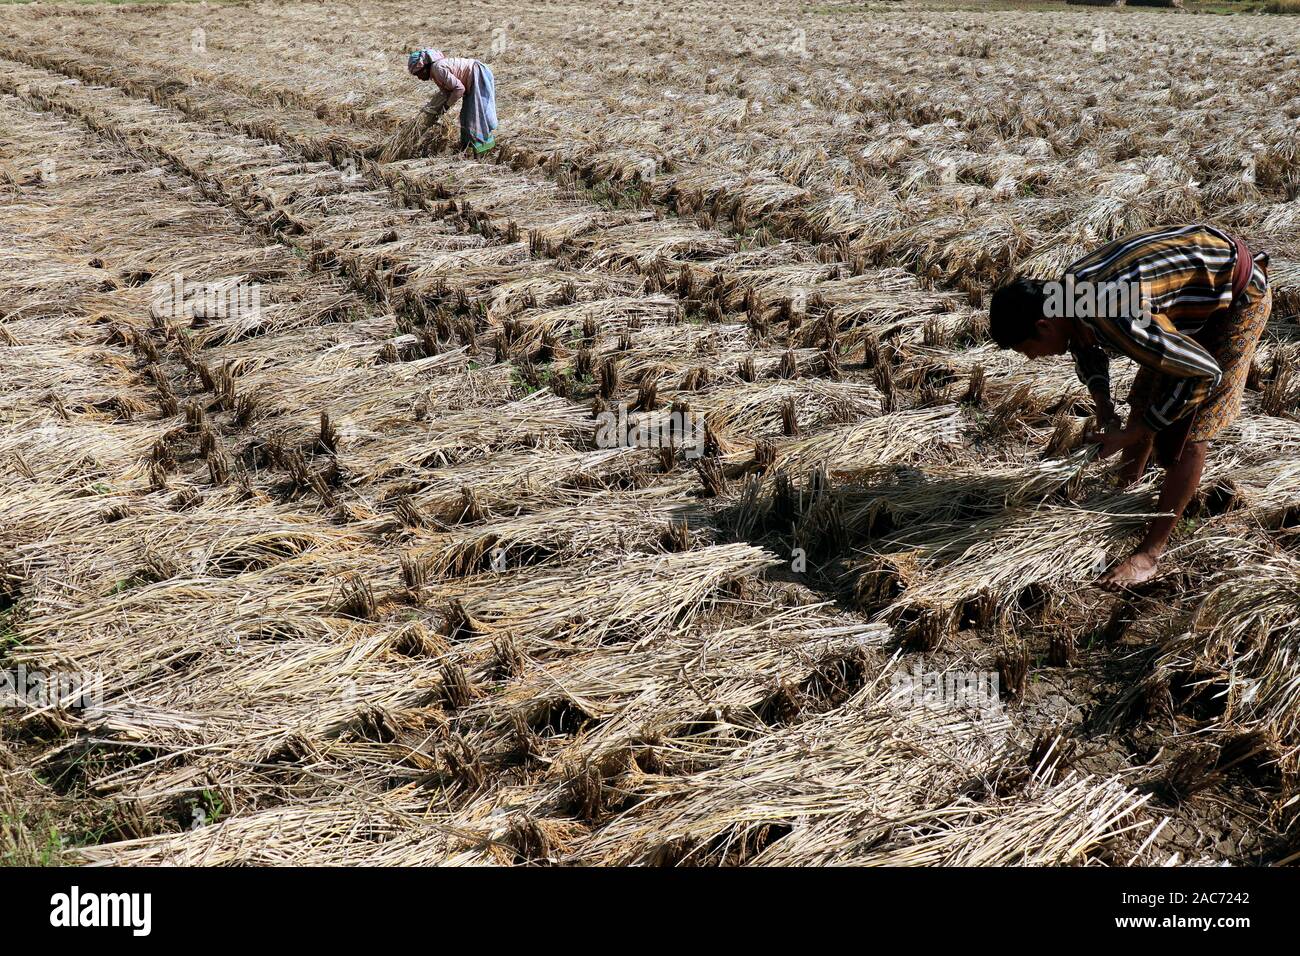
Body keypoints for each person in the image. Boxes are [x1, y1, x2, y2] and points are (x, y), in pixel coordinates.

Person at [988, 224, 1271, 590]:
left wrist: (1137, 431)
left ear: (1043, 327)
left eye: (1026, 349)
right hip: (1188, 295)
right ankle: (1125, 490)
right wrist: (1105, 407)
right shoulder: (1066, 295)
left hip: (1236, 297)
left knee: (1188, 429)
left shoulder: (1114, 313)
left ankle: (1150, 554)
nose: (1032, 357)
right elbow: (1083, 344)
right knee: (1146, 400)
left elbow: (1204, 375)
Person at [406, 48, 497, 154]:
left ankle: (482, 152)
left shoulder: (437, 69)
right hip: (474, 77)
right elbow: (446, 91)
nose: (419, 78)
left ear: (424, 68)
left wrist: (447, 106)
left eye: (418, 74)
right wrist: (434, 108)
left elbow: (459, 89)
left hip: (478, 75)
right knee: (466, 116)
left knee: (475, 116)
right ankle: (466, 149)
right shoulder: (435, 71)